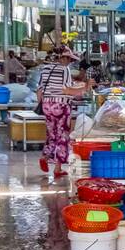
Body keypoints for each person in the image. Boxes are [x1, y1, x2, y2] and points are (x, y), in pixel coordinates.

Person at [36, 47, 88, 178]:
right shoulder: (64, 70)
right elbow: (67, 90)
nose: (70, 62)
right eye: (69, 59)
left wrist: (43, 105)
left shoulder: (45, 69)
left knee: (51, 134)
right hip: (61, 105)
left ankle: (45, 156)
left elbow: (39, 90)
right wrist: (84, 88)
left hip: (47, 105)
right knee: (63, 135)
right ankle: (57, 168)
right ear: (63, 58)